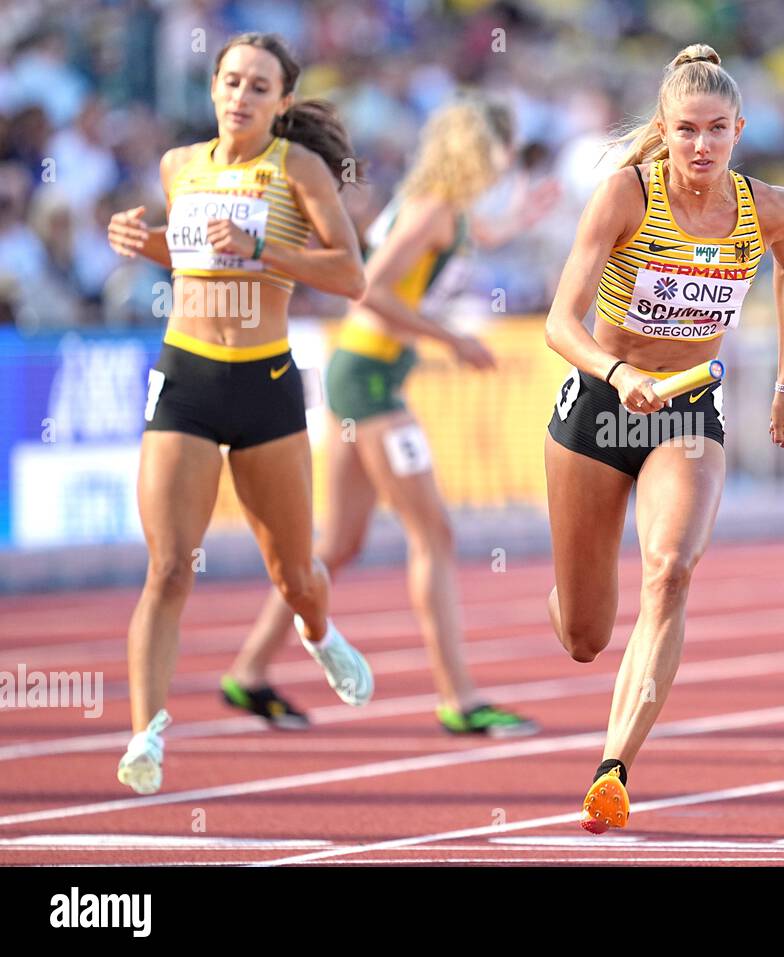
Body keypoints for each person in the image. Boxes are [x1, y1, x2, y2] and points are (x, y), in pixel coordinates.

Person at [220, 97, 554, 737]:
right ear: (479, 154)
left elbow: (464, 237)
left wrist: (514, 221)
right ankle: (459, 698)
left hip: (362, 373)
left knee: (336, 545)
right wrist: (450, 338)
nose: (504, 166)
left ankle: (250, 669)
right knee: (434, 535)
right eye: (500, 154)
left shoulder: (433, 204)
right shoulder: (432, 210)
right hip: (370, 381)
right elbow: (369, 288)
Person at [543, 44, 784, 832]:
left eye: (717, 130)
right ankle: (567, 589)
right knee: (586, 635)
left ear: (740, 130)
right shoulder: (625, 195)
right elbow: (561, 320)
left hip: (689, 407)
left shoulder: (772, 209)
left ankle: (613, 767)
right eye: (687, 129)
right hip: (600, 405)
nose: (701, 145)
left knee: (670, 568)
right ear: (665, 128)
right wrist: (615, 371)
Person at [105, 32, 372, 793]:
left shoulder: (301, 169)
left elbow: (350, 273)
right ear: (214, 87)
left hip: (266, 384)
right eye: (230, 81)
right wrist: (145, 241)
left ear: (283, 101)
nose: (241, 96)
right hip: (186, 375)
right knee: (166, 566)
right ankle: (147, 732)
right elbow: (193, 254)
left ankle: (316, 631)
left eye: (259, 86)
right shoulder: (179, 166)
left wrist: (262, 249)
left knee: (293, 574)